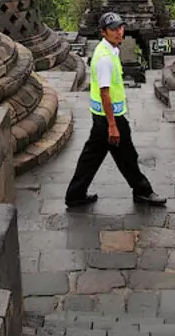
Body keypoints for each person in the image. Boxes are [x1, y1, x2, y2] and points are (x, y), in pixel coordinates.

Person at [64, 12, 167, 208]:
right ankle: (143, 191)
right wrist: (112, 126)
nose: (119, 32)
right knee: (127, 156)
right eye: (113, 29)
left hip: (103, 116)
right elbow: (105, 93)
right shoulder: (104, 58)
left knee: (92, 156)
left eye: (120, 27)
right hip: (109, 118)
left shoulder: (111, 50)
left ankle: (75, 194)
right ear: (103, 32)